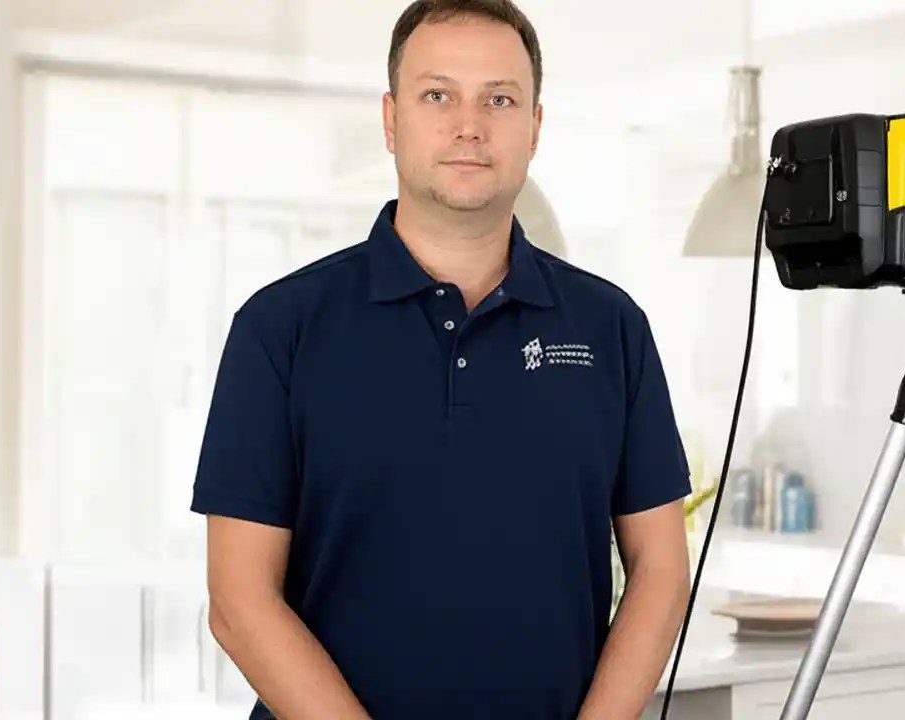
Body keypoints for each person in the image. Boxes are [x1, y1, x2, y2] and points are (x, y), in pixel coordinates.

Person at [189, 1, 694, 718]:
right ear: (391, 120)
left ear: (535, 128)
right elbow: (239, 602)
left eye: (499, 99)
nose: (469, 125)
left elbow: (661, 572)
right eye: (437, 95)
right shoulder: (280, 327)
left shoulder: (612, 327)